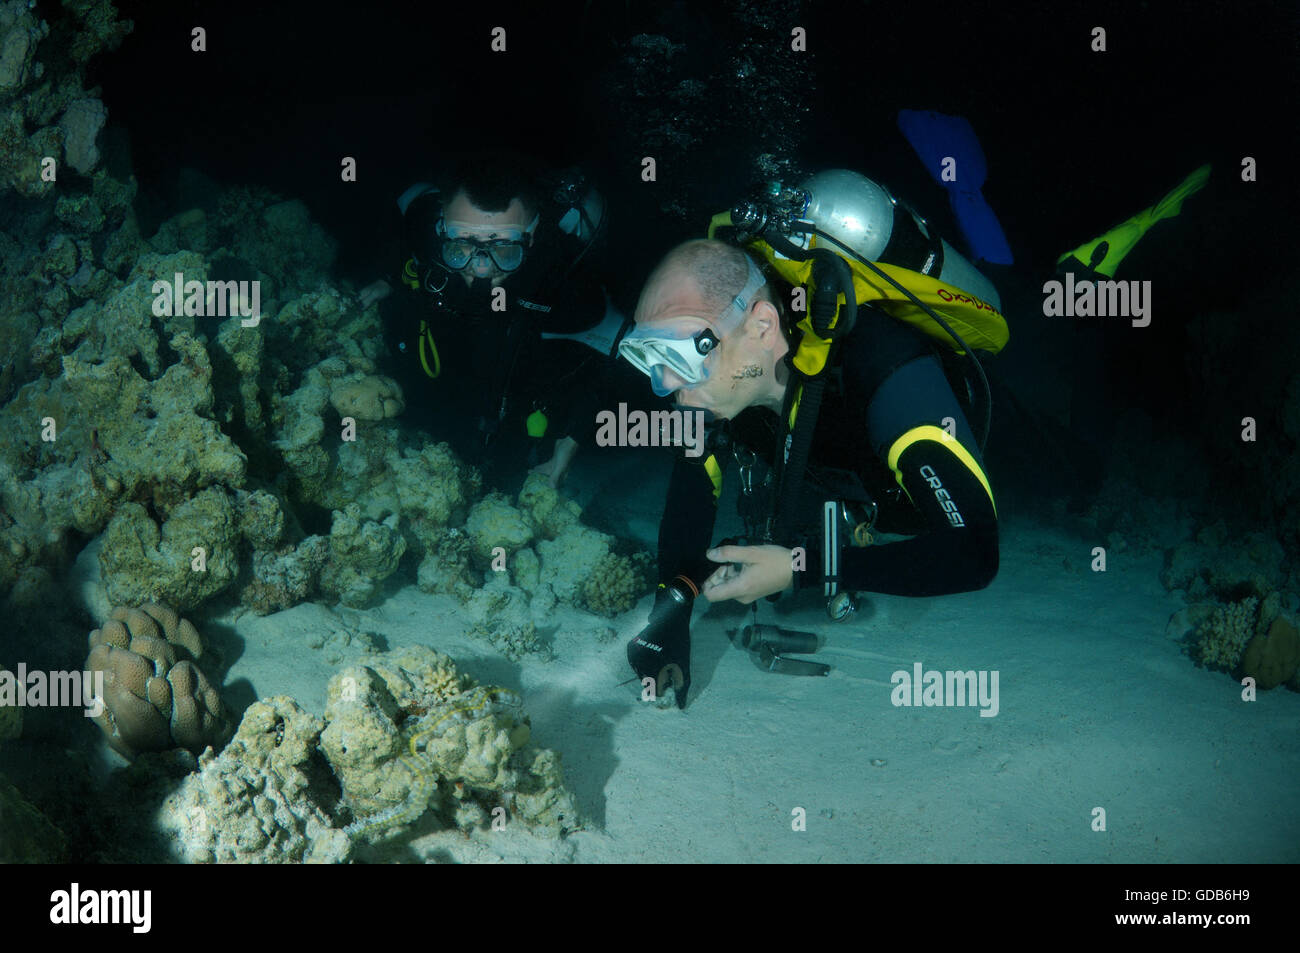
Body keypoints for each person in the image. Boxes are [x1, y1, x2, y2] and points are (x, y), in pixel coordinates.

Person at [617, 169, 1005, 708]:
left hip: (967, 462)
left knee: (1070, 466)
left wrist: (801, 567)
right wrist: (671, 613)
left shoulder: (882, 366)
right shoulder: (711, 391)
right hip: (852, 485)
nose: (666, 387)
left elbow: (974, 554)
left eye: (679, 358)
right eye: (649, 360)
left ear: (761, 326)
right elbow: (690, 495)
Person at [360, 152, 620, 487]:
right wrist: (389, 275)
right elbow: (404, 205)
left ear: (534, 232)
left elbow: (620, 354)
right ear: (441, 226)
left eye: (504, 248)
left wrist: (573, 438)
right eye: (462, 245)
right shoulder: (423, 222)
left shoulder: (564, 280)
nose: (481, 268)